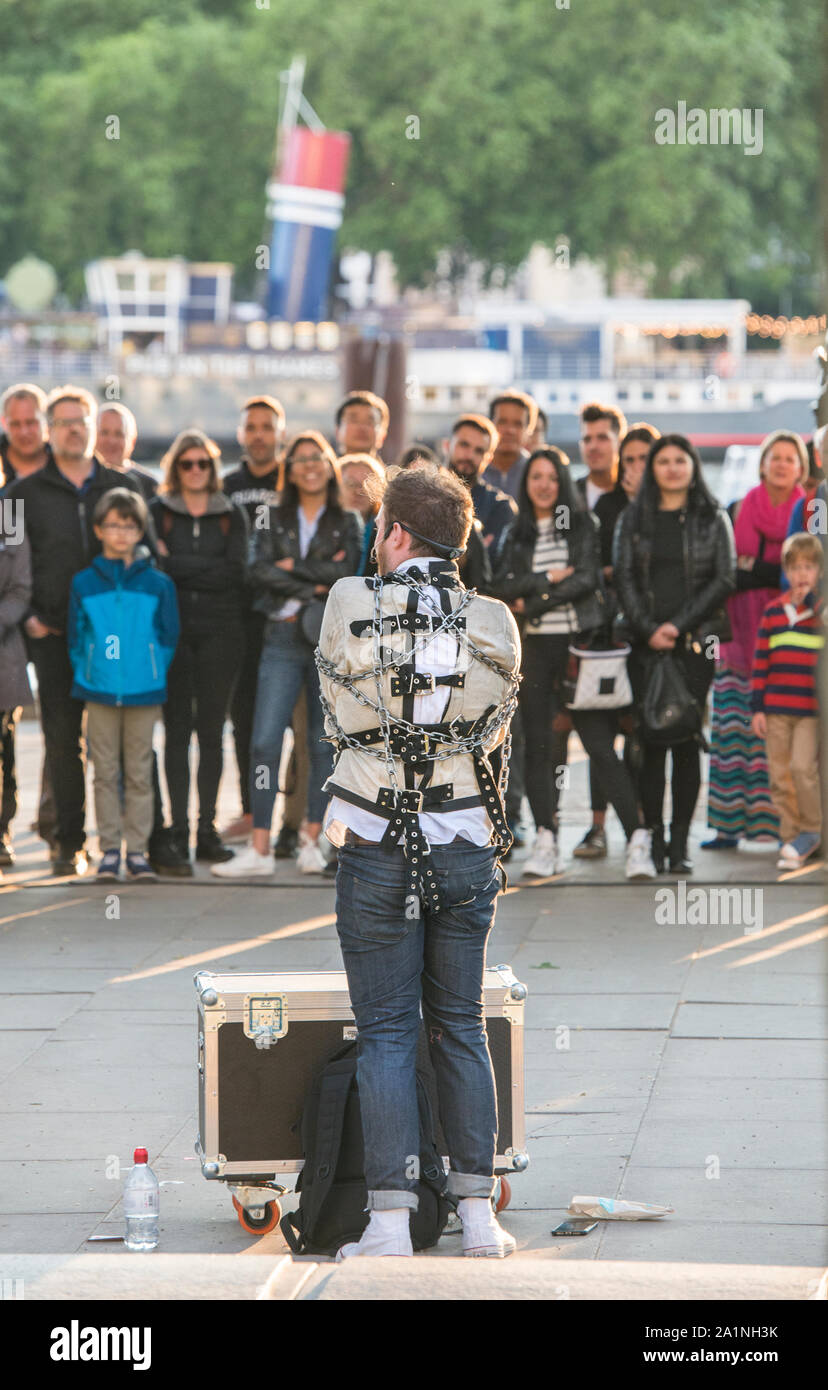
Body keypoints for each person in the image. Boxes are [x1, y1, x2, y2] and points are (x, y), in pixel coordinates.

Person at [317, 464, 520, 1259]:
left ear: (397, 532)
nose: (375, 540)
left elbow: (336, 702)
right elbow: (494, 737)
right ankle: (480, 1220)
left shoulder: (348, 599)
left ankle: (391, 1225)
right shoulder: (498, 620)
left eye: (380, 528)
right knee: (461, 1028)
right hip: (467, 842)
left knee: (389, 1033)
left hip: (375, 841)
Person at [8, 385, 152, 876]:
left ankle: (132, 847)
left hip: (116, 642)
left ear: (93, 428)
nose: (73, 428)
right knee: (63, 740)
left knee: (124, 744)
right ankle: (68, 843)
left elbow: (151, 558)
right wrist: (25, 613)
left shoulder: (125, 489)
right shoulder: (17, 495)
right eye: (64, 421)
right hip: (50, 636)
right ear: (50, 430)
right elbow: (3, 562)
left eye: (81, 420)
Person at [492, 447, 656, 880]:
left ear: (562, 483)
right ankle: (547, 839)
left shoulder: (581, 523)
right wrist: (549, 579)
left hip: (580, 647)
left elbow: (586, 577)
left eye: (551, 477)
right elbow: (502, 586)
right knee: (540, 747)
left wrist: (539, 598)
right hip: (534, 650)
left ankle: (638, 838)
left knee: (599, 745)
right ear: (526, 485)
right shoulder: (516, 532)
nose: (544, 485)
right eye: (536, 477)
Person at [211, 431, 361, 878]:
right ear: (288, 468)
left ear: (329, 464)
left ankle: (311, 840)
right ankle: (259, 847)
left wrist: (293, 570)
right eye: (299, 459)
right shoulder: (269, 517)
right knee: (264, 739)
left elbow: (344, 576)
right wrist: (312, 583)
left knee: (320, 741)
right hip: (278, 635)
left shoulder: (347, 520)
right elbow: (255, 572)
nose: (309, 465)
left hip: (324, 640)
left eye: (317, 458)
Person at [614, 434, 736, 873]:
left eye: (679, 460)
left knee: (685, 741)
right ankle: (655, 841)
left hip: (694, 645)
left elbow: (724, 578)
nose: (670, 468)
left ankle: (681, 844)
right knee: (649, 742)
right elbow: (623, 578)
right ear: (653, 469)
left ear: (692, 466)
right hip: (645, 648)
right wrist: (650, 631)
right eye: (662, 461)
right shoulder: (634, 517)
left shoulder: (712, 515)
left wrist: (676, 626)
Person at [68, 488, 179, 881]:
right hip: (98, 691)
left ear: (139, 530)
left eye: (129, 526)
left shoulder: (157, 583)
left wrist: (150, 670)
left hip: (143, 690)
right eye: (113, 525)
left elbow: (168, 636)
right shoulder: (84, 582)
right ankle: (110, 848)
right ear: (99, 529)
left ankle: (138, 849)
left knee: (138, 770)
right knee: (103, 771)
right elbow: (76, 637)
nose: (121, 532)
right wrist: (91, 670)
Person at [149, 430, 248, 871]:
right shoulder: (158, 512)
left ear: (213, 468)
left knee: (211, 732)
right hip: (172, 635)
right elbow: (157, 569)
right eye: (186, 463)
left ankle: (206, 829)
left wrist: (179, 567)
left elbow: (235, 572)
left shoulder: (231, 515)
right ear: (175, 468)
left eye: (203, 463)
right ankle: (176, 829)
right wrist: (183, 570)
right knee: (175, 732)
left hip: (222, 634)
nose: (195, 471)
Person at [703, 430, 807, 850]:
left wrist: (756, 572)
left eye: (790, 458)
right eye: (774, 457)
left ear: (801, 468)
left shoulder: (809, 510)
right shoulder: (738, 507)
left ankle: (783, 828)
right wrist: (767, 573)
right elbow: (728, 572)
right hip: (737, 636)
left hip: (791, 638)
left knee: (780, 737)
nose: (782, 464)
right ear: (762, 463)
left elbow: (801, 571)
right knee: (731, 732)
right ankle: (727, 827)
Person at [220, 395, 287, 845]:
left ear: (280, 433)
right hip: (239, 615)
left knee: (294, 722)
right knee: (244, 718)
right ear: (243, 434)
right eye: (252, 427)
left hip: (286, 613)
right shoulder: (228, 484)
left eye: (267, 426)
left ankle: (295, 819)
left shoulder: (293, 480)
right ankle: (250, 810)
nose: (259, 434)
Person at [572, 401, 629, 860]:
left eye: (602, 437)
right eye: (587, 437)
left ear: (618, 442)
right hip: (578, 632)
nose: (593, 446)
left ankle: (639, 826)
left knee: (627, 731)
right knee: (593, 731)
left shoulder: (630, 500)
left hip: (627, 631)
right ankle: (596, 827)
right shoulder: (568, 496)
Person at [751, 533, 824, 868]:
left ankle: (811, 830)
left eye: (809, 567)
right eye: (795, 568)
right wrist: (758, 708)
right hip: (777, 710)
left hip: (809, 711)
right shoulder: (772, 613)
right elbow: (761, 662)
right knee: (780, 776)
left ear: (819, 572)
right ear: (786, 572)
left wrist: (814, 603)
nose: (802, 575)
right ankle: (791, 836)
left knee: (801, 768)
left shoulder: (819, 613)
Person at [0, 512, 33, 871]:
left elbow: (20, 588)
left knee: (3, 746)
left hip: (2, 650)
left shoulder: (8, 518)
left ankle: (1, 829)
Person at [446, 414, 517, 553]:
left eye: (479, 450)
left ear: (488, 459)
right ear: (447, 445)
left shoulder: (500, 507)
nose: (470, 455)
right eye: (464, 445)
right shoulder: (422, 493)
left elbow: (491, 566)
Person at [482, 390, 538, 501]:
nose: (510, 430)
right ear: (490, 425)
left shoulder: (536, 471)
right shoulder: (474, 469)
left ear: (529, 430)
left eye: (518, 424)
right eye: (502, 422)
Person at [94, 403, 157, 498]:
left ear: (133, 440)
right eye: (104, 433)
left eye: (119, 434)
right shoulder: (82, 481)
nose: (111, 441)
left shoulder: (149, 485)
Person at [340, 452, 386, 578]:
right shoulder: (324, 526)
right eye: (351, 484)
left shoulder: (385, 533)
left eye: (367, 485)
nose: (358, 491)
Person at [0, 383, 52, 485]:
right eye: (15, 424)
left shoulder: (64, 462)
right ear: (3, 423)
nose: (24, 432)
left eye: (31, 422)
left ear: (45, 420)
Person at [335, 390, 389, 460]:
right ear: (337, 432)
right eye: (353, 420)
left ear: (383, 436)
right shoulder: (323, 470)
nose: (362, 427)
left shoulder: (391, 471)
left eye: (369, 422)